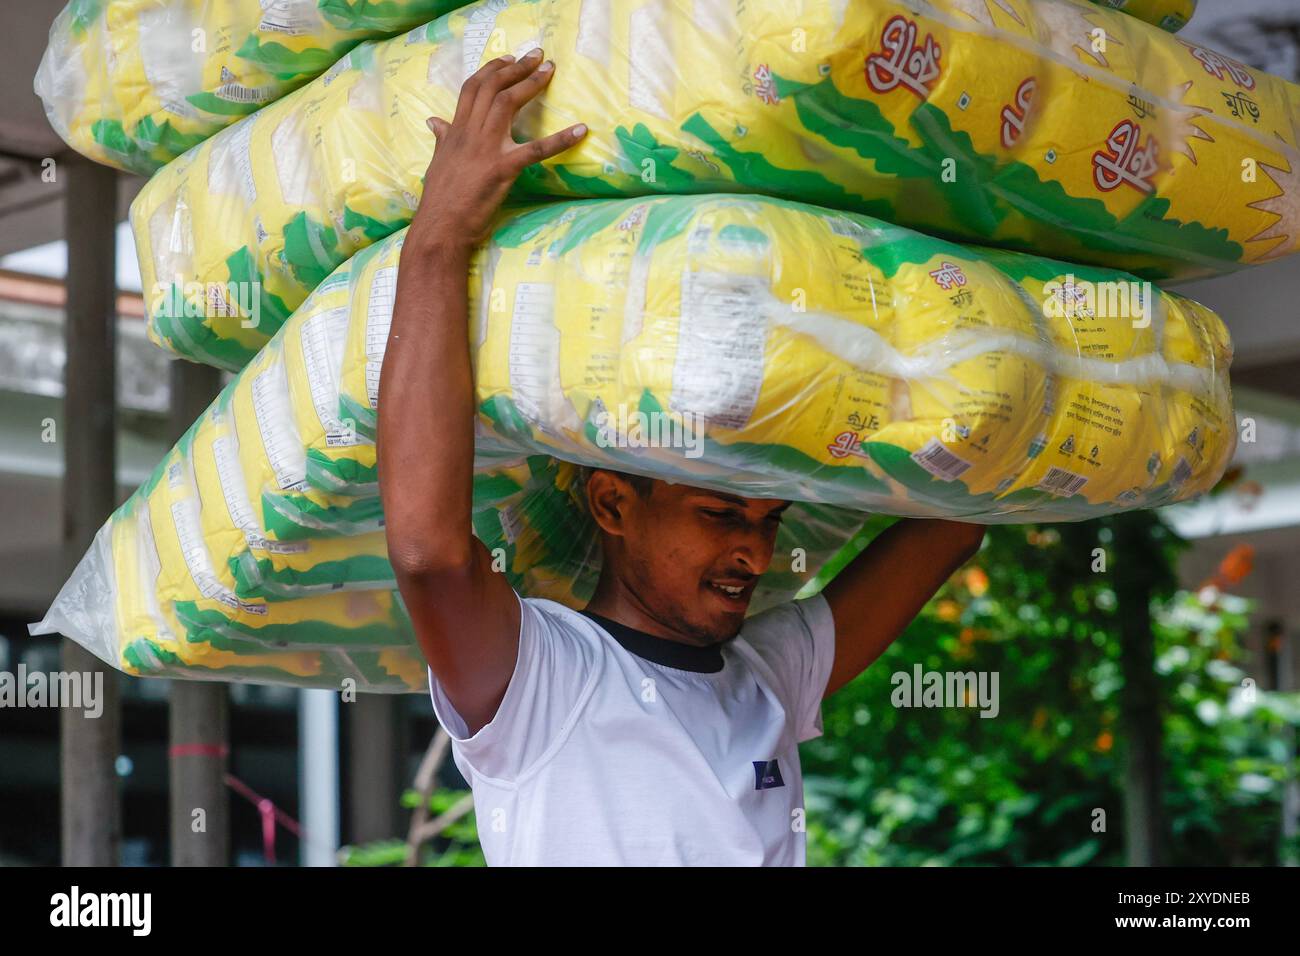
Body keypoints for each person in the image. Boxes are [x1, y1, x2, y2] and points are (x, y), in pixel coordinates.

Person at [377, 49, 987, 866]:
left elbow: (957, 521)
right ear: (613, 505)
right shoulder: (542, 677)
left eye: (770, 518)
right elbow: (429, 555)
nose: (755, 550)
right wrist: (439, 238)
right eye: (720, 513)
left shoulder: (767, 678)